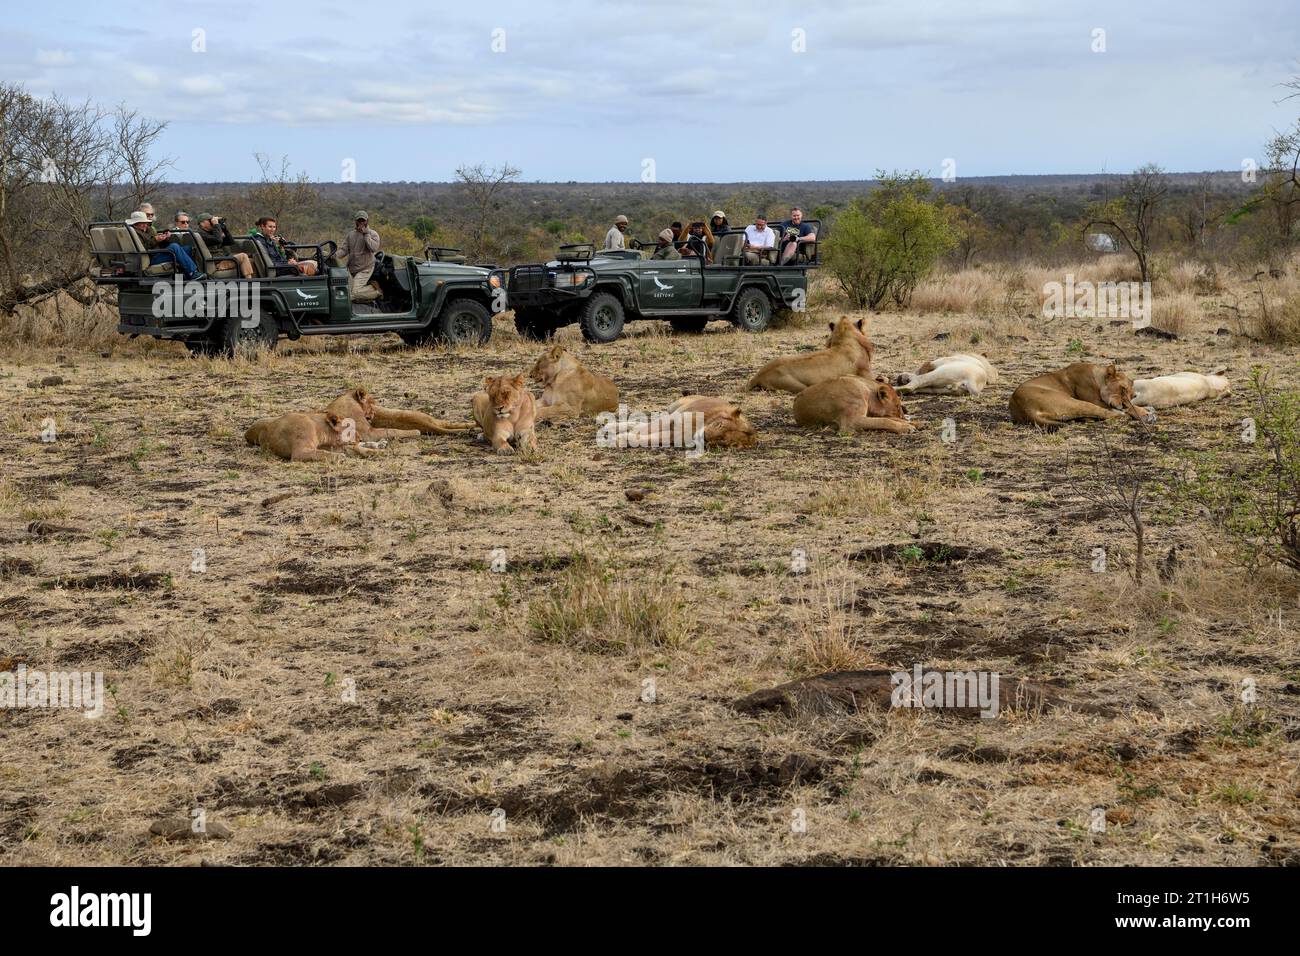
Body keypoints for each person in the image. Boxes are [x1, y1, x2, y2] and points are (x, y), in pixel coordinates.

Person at [126, 210, 203, 280]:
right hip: (151, 257)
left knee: (188, 248)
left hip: (158, 252)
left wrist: (164, 238)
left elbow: (157, 242)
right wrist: (155, 240)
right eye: (142, 223)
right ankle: (192, 273)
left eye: (146, 222)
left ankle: (186, 274)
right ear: (135, 223)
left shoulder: (149, 229)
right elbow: (142, 248)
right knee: (174, 246)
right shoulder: (134, 233)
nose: (145, 224)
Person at [249, 217, 317, 276]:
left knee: (315, 262)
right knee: (310, 267)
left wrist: (280, 248)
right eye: (270, 227)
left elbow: (278, 257)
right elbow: (271, 261)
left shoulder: (269, 240)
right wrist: (287, 263)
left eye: (274, 227)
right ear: (262, 227)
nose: (272, 229)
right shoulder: (260, 241)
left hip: (281, 266)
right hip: (277, 269)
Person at [196, 213, 254, 278]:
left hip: (220, 259)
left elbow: (230, 242)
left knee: (251, 261)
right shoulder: (201, 234)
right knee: (243, 256)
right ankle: (249, 283)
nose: (211, 222)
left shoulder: (212, 232)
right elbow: (218, 240)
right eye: (209, 220)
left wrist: (223, 227)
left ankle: (255, 283)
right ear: (202, 223)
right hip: (216, 262)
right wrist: (216, 225)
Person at [338, 211, 381, 297]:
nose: (361, 223)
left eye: (363, 220)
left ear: (367, 221)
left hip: (365, 269)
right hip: (351, 269)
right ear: (356, 221)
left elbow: (373, 248)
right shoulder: (351, 235)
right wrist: (332, 256)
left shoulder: (373, 234)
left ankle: (376, 290)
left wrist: (366, 234)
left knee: (354, 293)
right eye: (359, 220)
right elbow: (343, 250)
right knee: (344, 290)